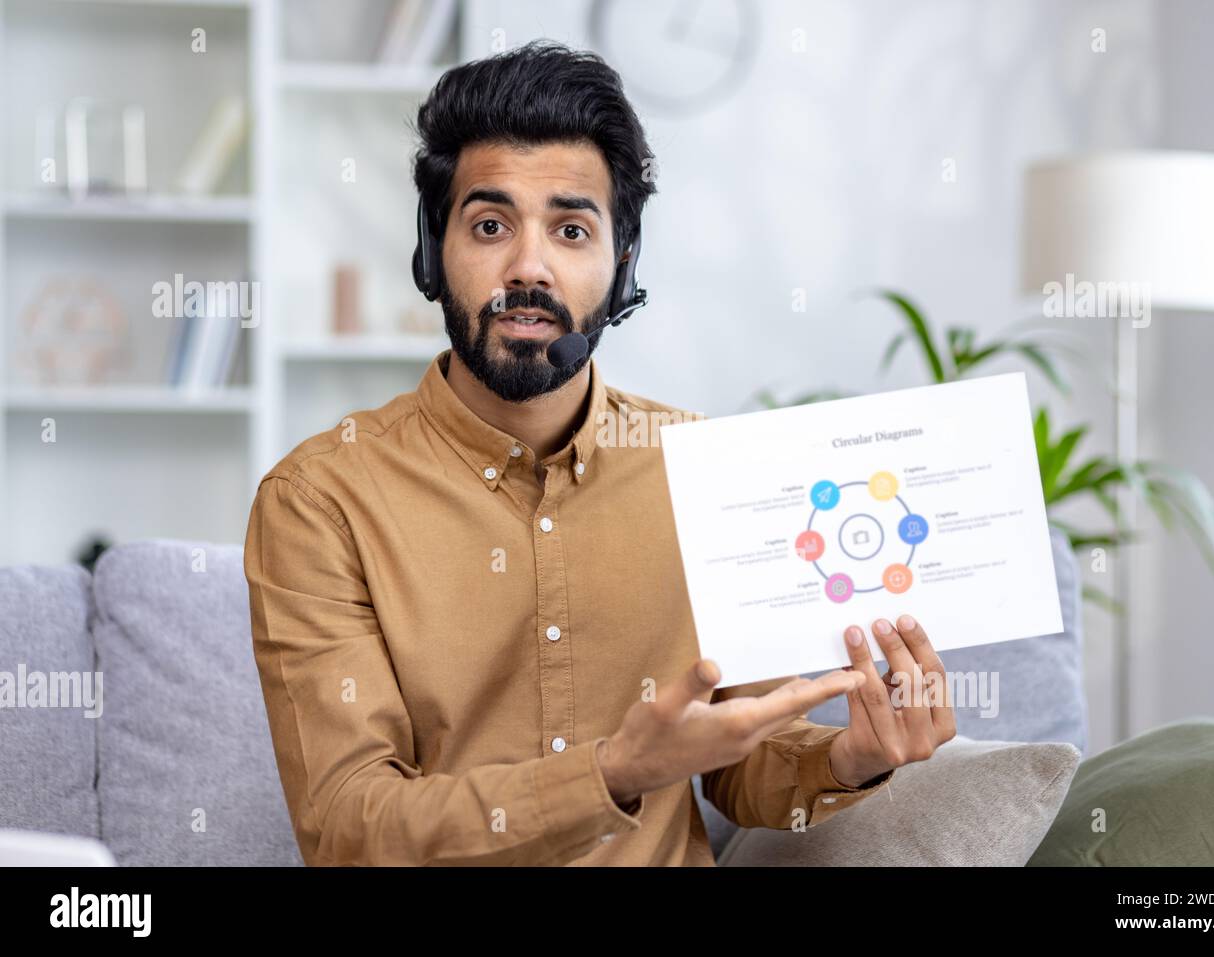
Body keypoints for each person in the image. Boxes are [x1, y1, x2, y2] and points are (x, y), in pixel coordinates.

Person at [244, 39, 955, 867]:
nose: (528, 267)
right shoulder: (319, 499)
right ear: (433, 252)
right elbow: (348, 826)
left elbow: (746, 764)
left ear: (621, 268)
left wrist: (849, 758)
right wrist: (612, 773)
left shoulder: (703, 466)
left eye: (571, 229)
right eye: (489, 224)